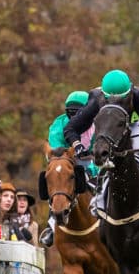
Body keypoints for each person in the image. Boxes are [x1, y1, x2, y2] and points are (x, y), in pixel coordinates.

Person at [39, 90, 98, 247]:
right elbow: (56, 150)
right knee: (58, 181)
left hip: (90, 159)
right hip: (64, 160)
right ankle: (51, 226)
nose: (74, 117)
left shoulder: (96, 124)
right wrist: (72, 155)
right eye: (71, 113)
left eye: (78, 113)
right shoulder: (59, 125)